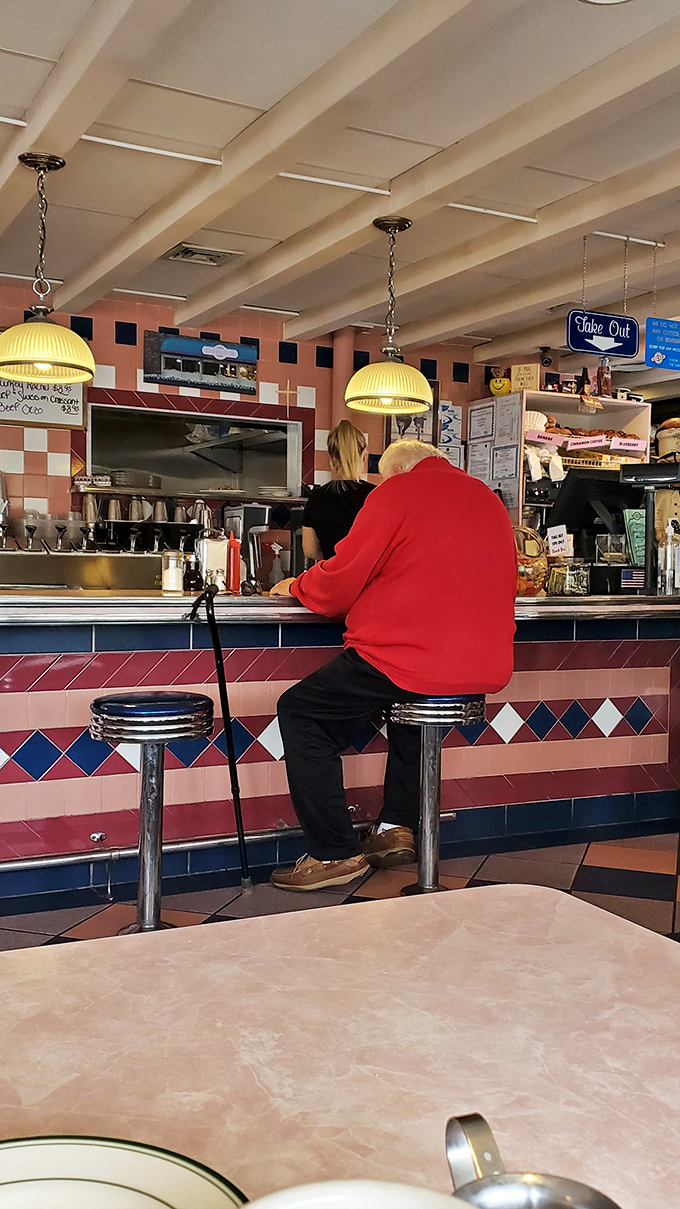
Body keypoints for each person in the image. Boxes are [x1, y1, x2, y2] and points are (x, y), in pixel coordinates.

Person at [269, 439, 517, 892]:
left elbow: (340, 581)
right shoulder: (487, 498)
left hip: (406, 652)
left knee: (301, 711)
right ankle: (394, 828)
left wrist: (298, 584)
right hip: (481, 664)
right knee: (410, 707)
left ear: (399, 469)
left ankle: (334, 854)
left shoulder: (397, 493)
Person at [302, 419, 373, 561]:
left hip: (330, 576)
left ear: (331, 457)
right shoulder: (375, 495)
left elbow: (309, 550)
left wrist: (336, 562)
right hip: (368, 579)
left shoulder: (317, 497)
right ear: (364, 455)